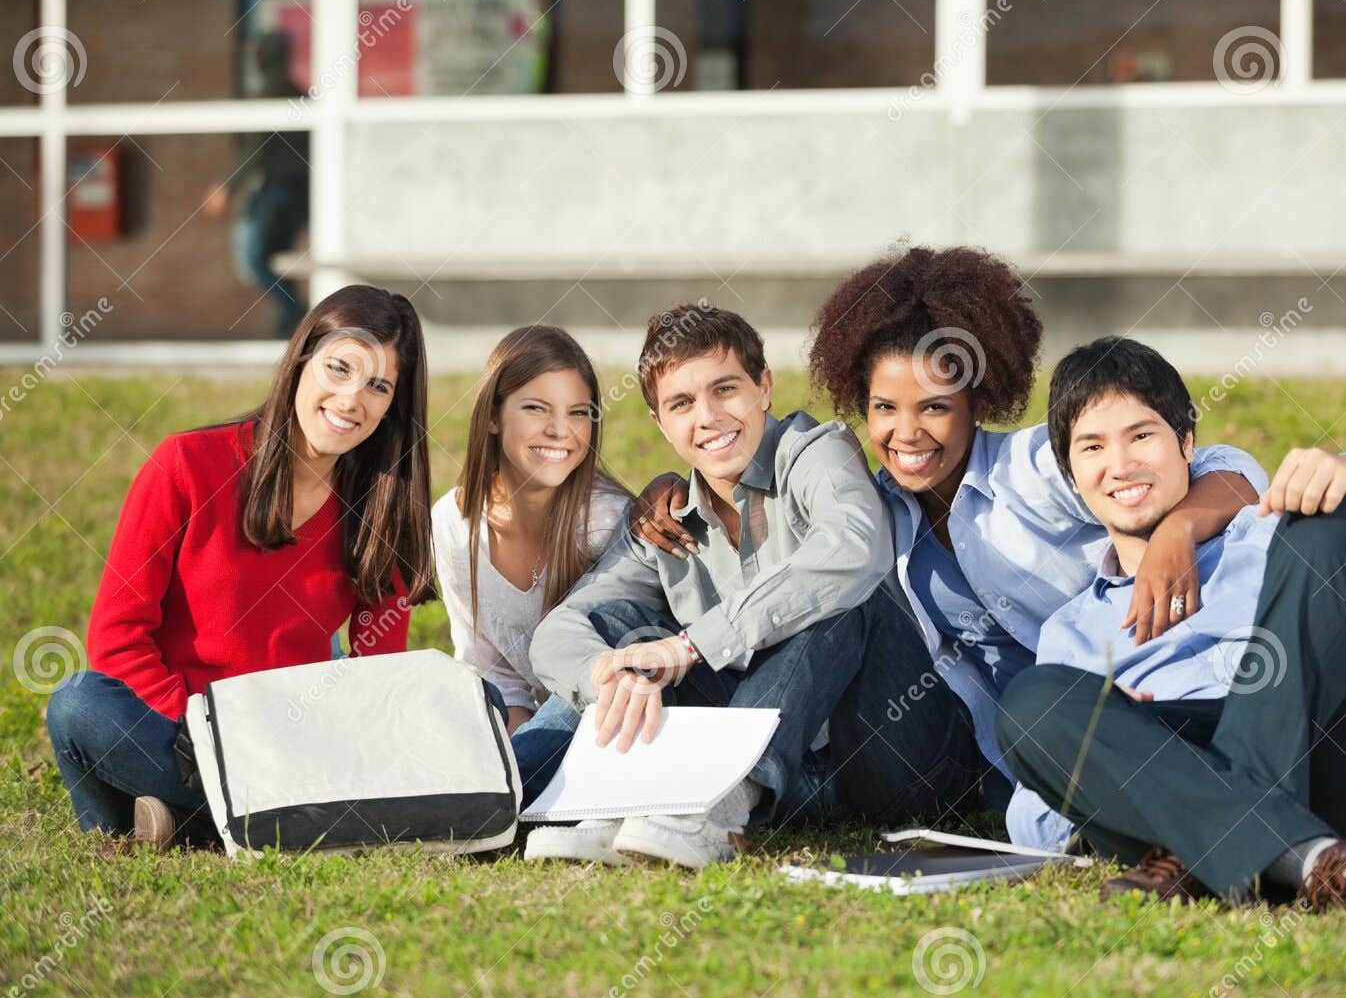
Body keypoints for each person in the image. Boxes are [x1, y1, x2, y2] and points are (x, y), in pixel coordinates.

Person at [637, 245, 1346, 864]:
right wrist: (670, 493)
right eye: (886, 408)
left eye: (937, 404)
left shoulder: (1051, 467)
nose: (910, 431)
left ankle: (1268, 842)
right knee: (1044, 715)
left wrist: (1181, 532)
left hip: (1239, 720)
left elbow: (1213, 468)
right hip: (1062, 747)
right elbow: (787, 554)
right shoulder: (873, 513)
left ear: (983, 398)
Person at [521, 304, 985, 869]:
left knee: (836, 600)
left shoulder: (815, 454)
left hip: (889, 759)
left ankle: (710, 804)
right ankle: (536, 796)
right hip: (783, 788)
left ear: (764, 386)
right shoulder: (664, 518)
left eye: (726, 389)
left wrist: (689, 646)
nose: (709, 417)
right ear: (659, 422)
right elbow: (561, 630)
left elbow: (854, 548)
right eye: (682, 404)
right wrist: (608, 674)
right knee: (619, 633)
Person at [999, 337, 1346, 912]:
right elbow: (1034, 822)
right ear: (1072, 473)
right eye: (1092, 447)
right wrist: (1134, 732)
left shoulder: (1266, 532)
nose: (1121, 464)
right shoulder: (1073, 634)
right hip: (1188, 795)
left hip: (1344, 774)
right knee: (1033, 702)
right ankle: (1313, 863)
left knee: (1332, 521)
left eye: (1141, 435)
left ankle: (1222, 842)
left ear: (1186, 442)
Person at [47, 286, 432, 849]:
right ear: (301, 360)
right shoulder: (186, 464)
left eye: (378, 386)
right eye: (339, 368)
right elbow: (118, 636)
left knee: (467, 706)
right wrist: (207, 736)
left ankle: (188, 826)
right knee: (81, 704)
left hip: (294, 743)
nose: (352, 399)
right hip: (181, 731)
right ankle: (247, 822)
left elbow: (376, 675)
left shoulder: (381, 505)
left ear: (392, 405)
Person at [432, 326, 629, 777]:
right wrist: (525, 746)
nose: (561, 430)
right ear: (492, 416)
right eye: (536, 408)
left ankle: (511, 785)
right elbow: (491, 671)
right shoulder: (453, 523)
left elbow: (611, 673)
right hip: (537, 730)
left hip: (610, 720)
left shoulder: (606, 523)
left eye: (578, 412)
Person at [203, 30, 310, 338]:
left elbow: (255, 150)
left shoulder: (272, 93)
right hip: (295, 194)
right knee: (273, 259)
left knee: (253, 258)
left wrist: (226, 187)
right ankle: (290, 322)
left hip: (279, 192)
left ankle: (295, 315)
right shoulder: (294, 91)